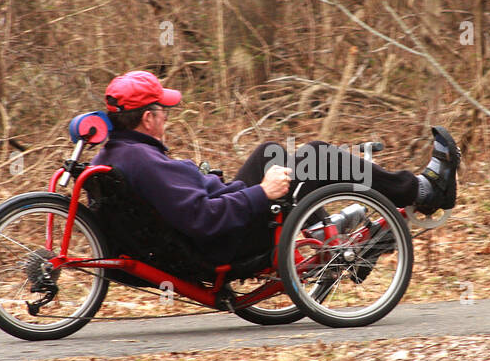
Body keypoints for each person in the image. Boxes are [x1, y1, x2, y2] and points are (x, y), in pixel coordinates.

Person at [91, 70, 460, 266]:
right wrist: (260, 193)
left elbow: (191, 205)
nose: (168, 117)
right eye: (164, 111)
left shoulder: (115, 153)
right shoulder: (145, 162)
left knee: (270, 152)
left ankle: (328, 234)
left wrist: (235, 186)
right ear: (149, 117)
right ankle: (423, 191)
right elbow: (202, 219)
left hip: (212, 222)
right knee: (318, 156)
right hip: (223, 241)